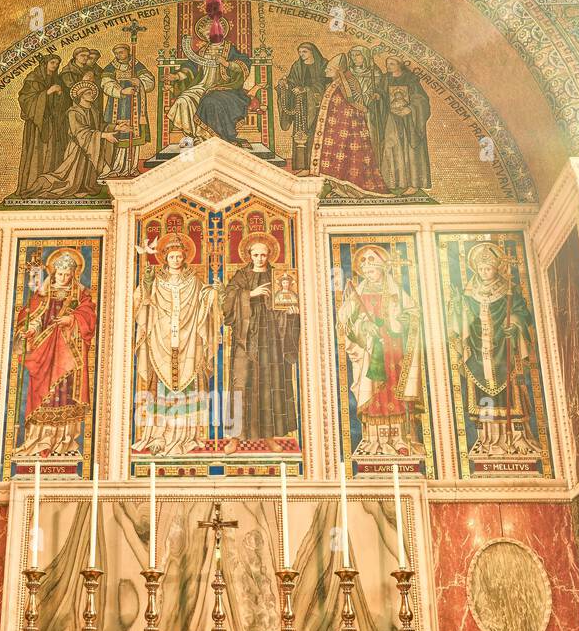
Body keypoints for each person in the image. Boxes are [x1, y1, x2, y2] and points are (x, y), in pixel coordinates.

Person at [446, 241, 540, 458]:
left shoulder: (509, 291)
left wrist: (514, 324)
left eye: (488, 268)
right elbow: (463, 322)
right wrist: (457, 304)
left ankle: (517, 437)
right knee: (482, 393)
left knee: (513, 390)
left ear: (497, 268)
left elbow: (523, 315)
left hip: (504, 350)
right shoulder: (471, 293)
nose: (484, 272)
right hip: (479, 352)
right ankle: (488, 438)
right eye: (480, 268)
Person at [133, 235, 221, 456]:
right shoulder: (157, 280)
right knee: (160, 389)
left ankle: (186, 437)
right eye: (171, 256)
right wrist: (146, 278)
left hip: (189, 341)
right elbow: (143, 300)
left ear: (184, 258)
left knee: (188, 388)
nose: (175, 259)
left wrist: (212, 294)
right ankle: (158, 436)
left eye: (179, 256)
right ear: (165, 258)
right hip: (161, 340)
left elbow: (203, 300)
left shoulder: (194, 280)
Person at [337, 244, 426, 459]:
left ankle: (399, 439)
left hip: (394, 350)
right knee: (373, 391)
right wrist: (363, 327)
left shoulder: (396, 291)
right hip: (371, 349)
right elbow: (344, 319)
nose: (369, 274)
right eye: (365, 271)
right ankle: (374, 439)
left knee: (395, 390)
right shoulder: (359, 293)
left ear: (382, 269)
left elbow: (413, 313)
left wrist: (405, 320)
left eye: (373, 270)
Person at [12, 249, 97, 459]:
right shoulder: (42, 293)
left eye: (68, 274)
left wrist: (72, 320)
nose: (64, 277)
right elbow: (32, 316)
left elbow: (89, 317)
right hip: (45, 351)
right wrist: (31, 329)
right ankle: (40, 440)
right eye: (60, 274)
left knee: (65, 394)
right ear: (53, 272)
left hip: (68, 351)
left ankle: (64, 441)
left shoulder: (81, 294)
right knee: (42, 392)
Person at [222, 235, 300, 452]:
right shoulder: (241, 276)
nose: (259, 258)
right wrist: (250, 294)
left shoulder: (278, 276)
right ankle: (235, 438)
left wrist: (292, 314)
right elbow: (226, 301)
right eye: (255, 254)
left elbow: (285, 304)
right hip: (244, 340)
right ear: (249, 255)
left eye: (263, 254)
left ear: (269, 255)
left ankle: (269, 436)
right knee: (241, 384)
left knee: (269, 384)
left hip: (271, 339)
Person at [21, 80, 117, 198]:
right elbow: (80, 132)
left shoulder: (94, 111)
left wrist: (117, 127)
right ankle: (47, 183)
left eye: (92, 93)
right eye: (88, 93)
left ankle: (84, 187)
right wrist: (104, 135)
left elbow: (100, 125)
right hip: (77, 149)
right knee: (69, 178)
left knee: (88, 175)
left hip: (91, 145)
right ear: (80, 96)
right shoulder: (73, 112)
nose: (91, 95)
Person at [310, 54, 388, 192]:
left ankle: (349, 189)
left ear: (338, 70)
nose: (325, 71)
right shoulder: (336, 82)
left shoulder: (347, 82)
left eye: (329, 69)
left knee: (349, 157)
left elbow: (354, 104)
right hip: (336, 128)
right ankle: (337, 187)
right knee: (337, 156)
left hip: (348, 128)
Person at [169, 17, 253, 144]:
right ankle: (195, 135)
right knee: (183, 99)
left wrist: (227, 64)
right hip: (202, 86)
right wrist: (177, 76)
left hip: (226, 88)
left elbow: (243, 64)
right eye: (205, 35)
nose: (207, 37)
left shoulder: (229, 49)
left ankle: (209, 137)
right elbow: (190, 68)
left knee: (210, 101)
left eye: (209, 33)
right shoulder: (202, 51)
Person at [15, 54, 69, 194]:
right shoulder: (33, 79)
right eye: (52, 62)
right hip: (37, 125)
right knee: (38, 153)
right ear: (45, 64)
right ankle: (32, 185)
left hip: (53, 123)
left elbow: (65, 102)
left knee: (53, 152)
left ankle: (49, 184)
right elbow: (25, 100)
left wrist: (60, 94)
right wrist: (47, 93)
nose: (55, 66)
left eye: (57, 63)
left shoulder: (57, 79)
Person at [378, 56, 431, 193]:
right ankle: (394, 181)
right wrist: (378, 96)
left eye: (391, 64)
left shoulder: (411, 79)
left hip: (409, 121)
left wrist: (411, 108)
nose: (388, 66)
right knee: (391, 145)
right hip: (392, 118)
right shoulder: (385, 79)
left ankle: (414, 184)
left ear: (400, 65)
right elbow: (382, 94)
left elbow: (422, 99)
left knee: (410, 149)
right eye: (387, 64)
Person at [101, 43, 155, 175]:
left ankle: (131, 167)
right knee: (119, 136)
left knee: (134, 136)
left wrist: (140, 82)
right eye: (117, 53)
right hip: (117, 106)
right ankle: (117, 167)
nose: (119, 55)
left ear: (128, 52)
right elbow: (106, 83)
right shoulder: (111, 67)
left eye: (121, 52)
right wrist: (122, 91)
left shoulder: (137, 65)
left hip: (135, 107)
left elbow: (149, 80)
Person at [276, 42, 329, 173]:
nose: (301, 54)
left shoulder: (323, 65)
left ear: (312, 52)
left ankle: (317, 167)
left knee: (315, 134)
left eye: (304, 51)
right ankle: (302, 166)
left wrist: (306, 89)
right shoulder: (297, 66)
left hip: (318, 107)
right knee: (300, 135)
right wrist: (284, 84)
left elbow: (325, 84)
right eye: (300, 52)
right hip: (300, 106)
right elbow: (292, 81)